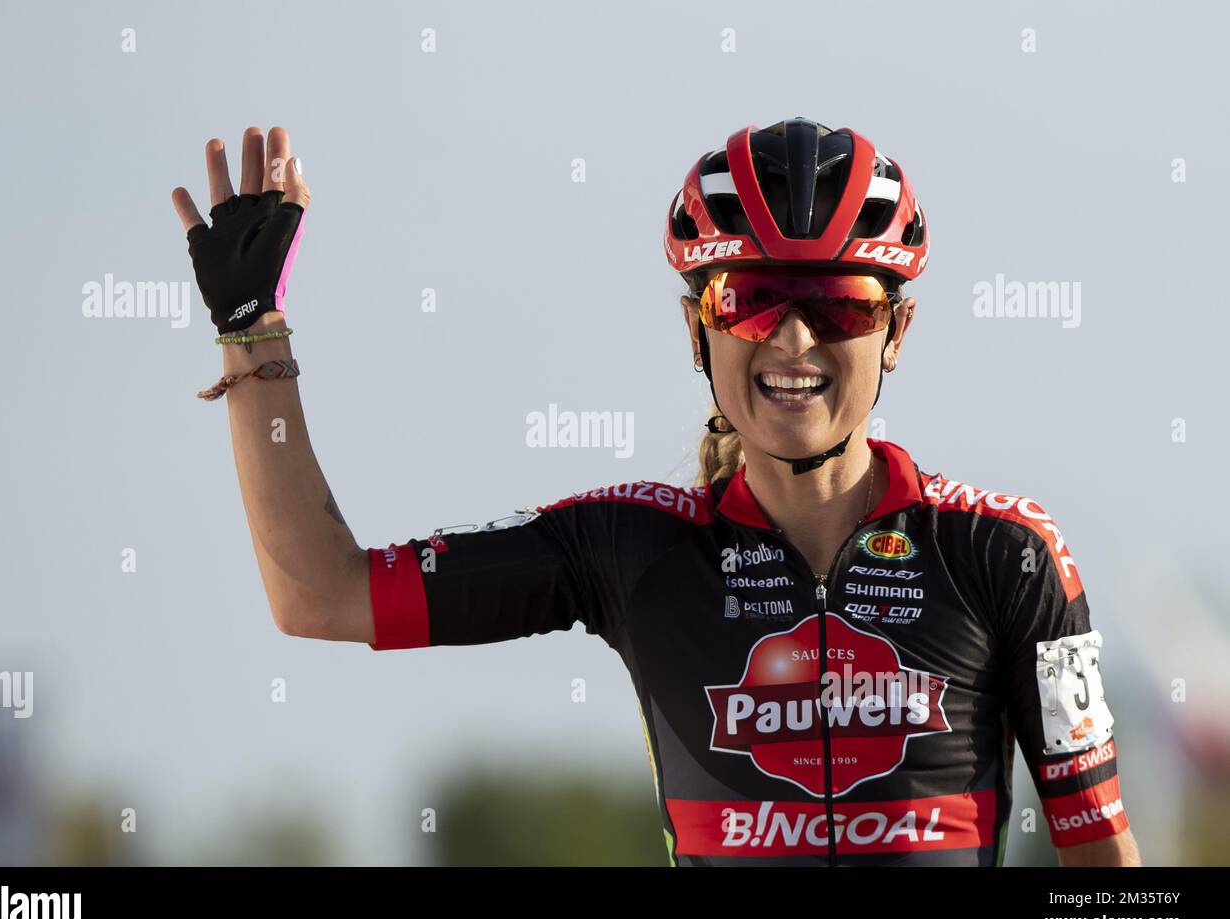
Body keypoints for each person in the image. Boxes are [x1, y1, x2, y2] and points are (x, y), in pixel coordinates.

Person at [171, 117, 1139, 867]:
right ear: (694, 329)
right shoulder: (630, 546)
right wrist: (254, 334)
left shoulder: (1004, 551)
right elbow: (319, 592)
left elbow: (1098, 852)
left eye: (838, 303)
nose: (791, 341)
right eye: (748, 301)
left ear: (896, 331)